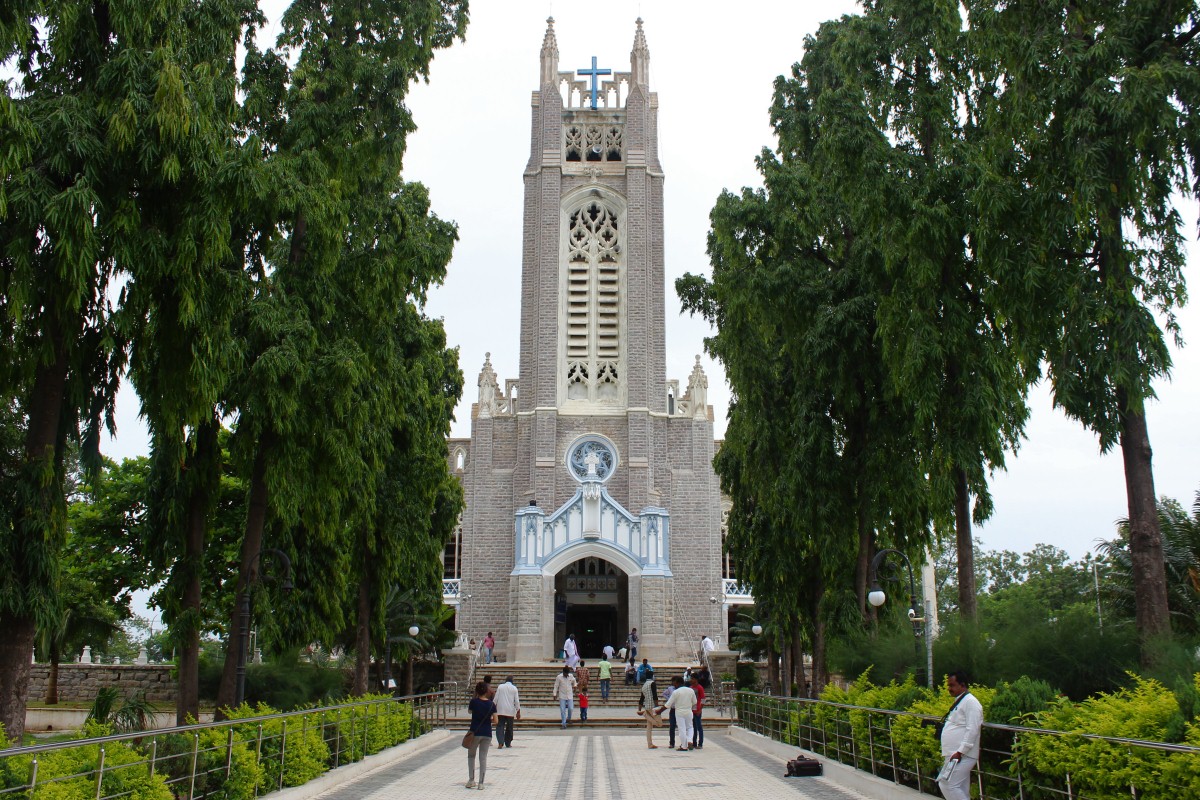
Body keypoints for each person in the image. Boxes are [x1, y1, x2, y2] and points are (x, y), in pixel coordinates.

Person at [937, 671, 983, 800]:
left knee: (947, 784)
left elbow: (972, 729)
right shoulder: (961, 701)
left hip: (963, 755)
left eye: (952, 685)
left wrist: (960, 751)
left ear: (962, 685)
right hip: (954, 755)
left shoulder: (971, 702)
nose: (949, 689)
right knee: (960, 788)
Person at [465, 681, 496, 789]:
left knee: (471, 756)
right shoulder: (492, 704)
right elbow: (496, 720)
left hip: (475, 732)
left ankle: (471, 780)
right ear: (487, 691)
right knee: (483, 758)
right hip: (487, 733)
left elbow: (469, 712)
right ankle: (481, 783)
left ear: (477, 691)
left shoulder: (473, 702)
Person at [658, 676, 696, 752]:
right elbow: (695, 702)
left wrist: (659, 711)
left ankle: (684, 746)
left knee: (681, 729)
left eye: (674, 683)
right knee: (690, 727)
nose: (673, 685)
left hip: (679, 712)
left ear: (678, 683)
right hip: (688, 711)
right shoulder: (691, 690)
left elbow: (668, 704)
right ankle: (690, 740)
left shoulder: (676, 692)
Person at [493, 675, 520, 749]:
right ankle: (508, 742)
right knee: (509, 727)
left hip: (500, 710)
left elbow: (496, 698)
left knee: (500, 726)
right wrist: (518, 711)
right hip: (510, 711)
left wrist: (493, 706)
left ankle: (500, 742)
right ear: (512, 681)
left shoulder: (500, 687)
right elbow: (516, 701)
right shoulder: (514, 688)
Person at [638, 676, 661, 748]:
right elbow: (655, 695)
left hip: (647, 706)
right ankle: (645, 714)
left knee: (649, 727)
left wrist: (639, 709)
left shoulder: (644, 685)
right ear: (652, 676)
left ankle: (650, 744)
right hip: (652, 707)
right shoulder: (652, 683)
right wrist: (657, 707)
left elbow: (642, 698)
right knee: (659, 724)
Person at [690, 674, 706, 749]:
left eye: (692, 679)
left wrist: (700, 709)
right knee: (693, 727)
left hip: (697, 709)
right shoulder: (690, 688)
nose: (691, 680)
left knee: (699, 727)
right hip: (691, 709)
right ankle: (694, 742)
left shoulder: (700, 688)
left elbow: (703, 699)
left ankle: (700, 743)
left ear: (696, 679)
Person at [661, 678, 677, 748]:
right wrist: (669, 699)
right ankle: (672, 743)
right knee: (672, 726)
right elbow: (664, 693)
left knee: (682, 727)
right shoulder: (670, 688)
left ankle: (684, 742)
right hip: (673, 709)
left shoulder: (682, 689)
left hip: (680, 709)